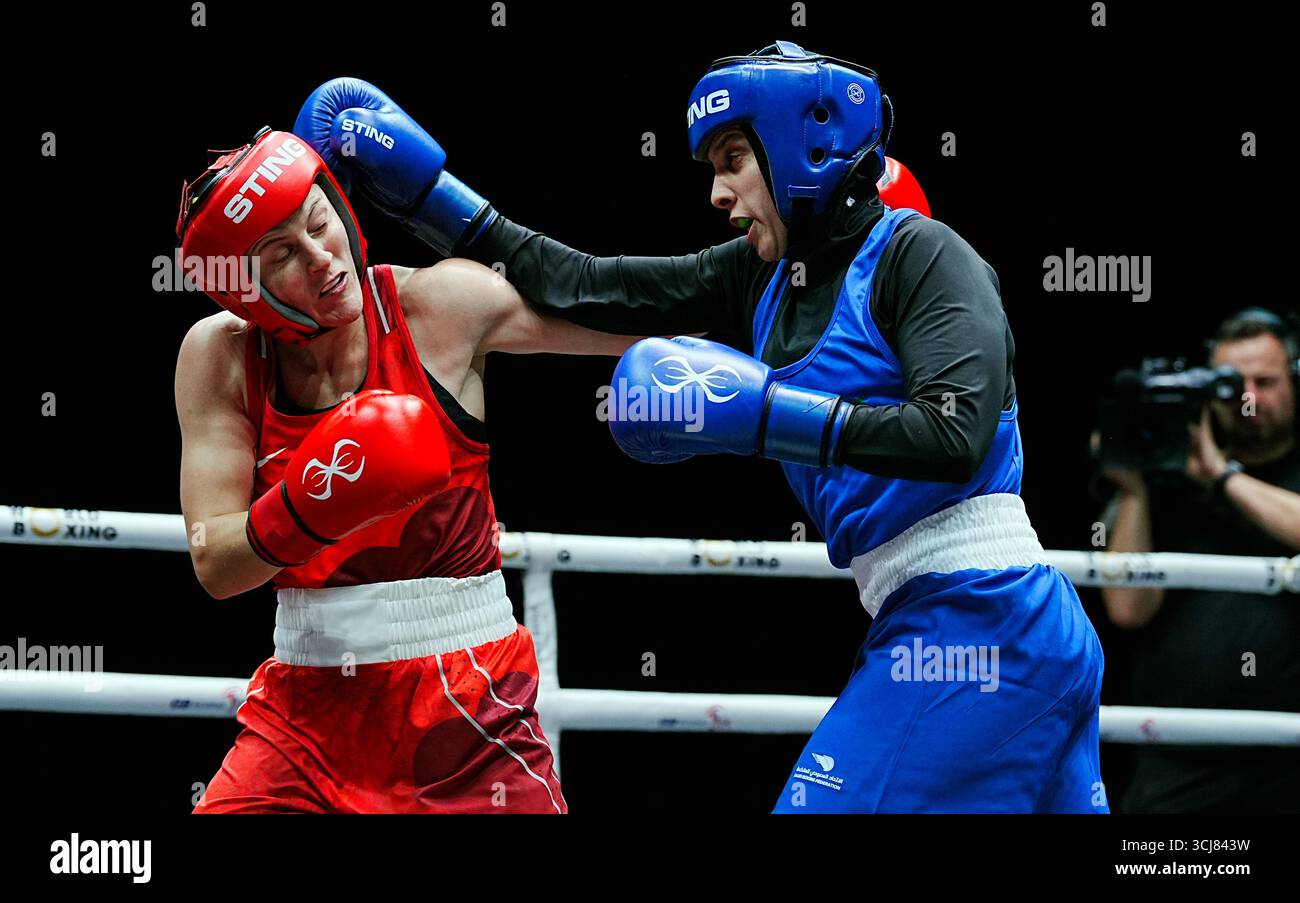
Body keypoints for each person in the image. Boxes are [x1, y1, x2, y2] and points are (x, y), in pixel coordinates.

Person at [294, 41, 1107, 813]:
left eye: (732, 161)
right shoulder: (756, 279)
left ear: (804, 144)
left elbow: (955, 433)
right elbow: (578, 282)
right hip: (949, 618)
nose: (718, 194)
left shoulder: (924, 254)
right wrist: (430, 195)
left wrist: (762, 415)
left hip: (987, 617)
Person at [174, 127, 638, 813]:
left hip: (467, 702)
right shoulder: (220, 358)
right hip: (302, 716)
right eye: (282, 255)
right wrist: (308, 508)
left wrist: (771, 307)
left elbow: (615, 310)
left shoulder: (437, 307)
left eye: (319, 222)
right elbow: (215, 562)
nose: (320, 258)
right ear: (244, 292)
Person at [1100, 308, 1300, 812]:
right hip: (1176, 757)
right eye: (1232, 383)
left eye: (1266, 381)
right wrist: (1134, 487)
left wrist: (1222, 476)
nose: (1248, 397)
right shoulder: (1168, 478)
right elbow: (1127, 609)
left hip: (1288, 757)